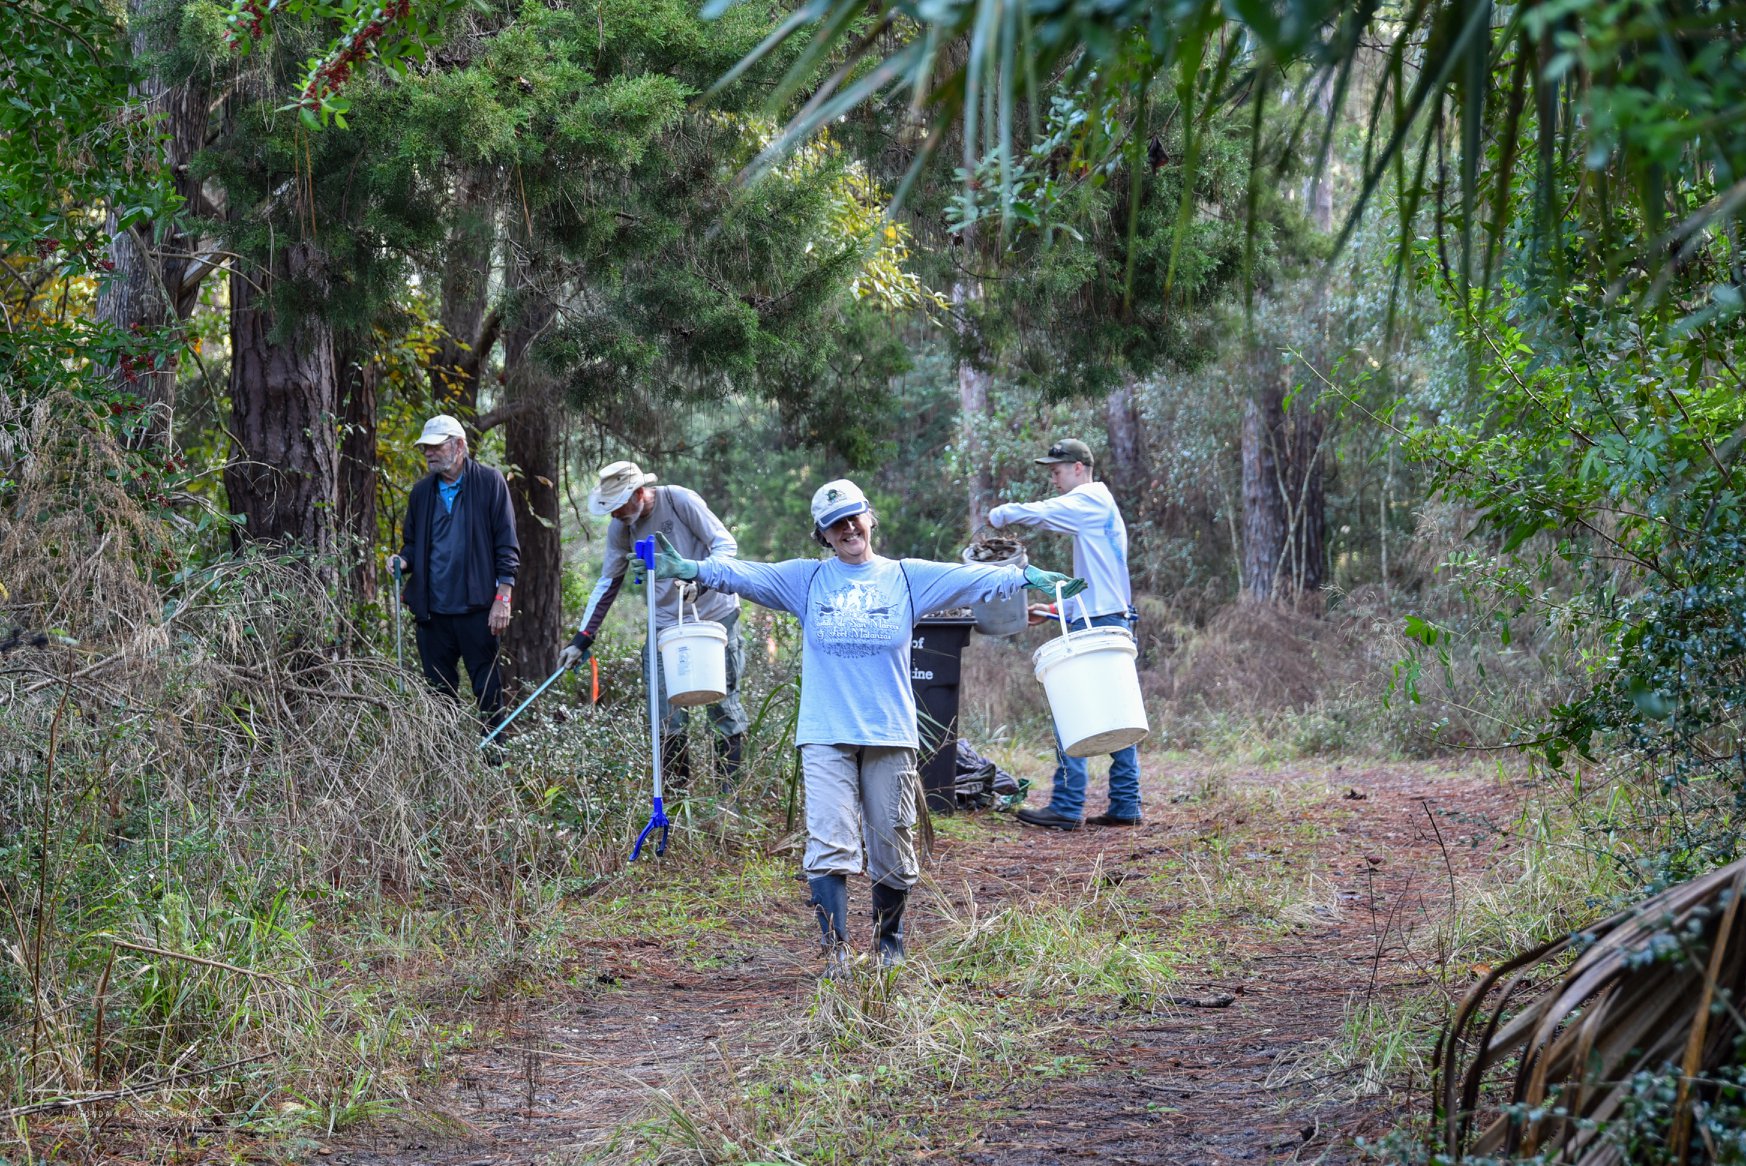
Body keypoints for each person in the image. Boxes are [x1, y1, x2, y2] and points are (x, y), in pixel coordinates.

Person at [652, 478, 1084, 972]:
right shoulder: (806, 580)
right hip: (825, 733)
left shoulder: (906, 577)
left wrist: (1026, 577)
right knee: (829, 842)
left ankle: (888, 943)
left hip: (889, 732)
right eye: (836, 524)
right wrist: (692, 569)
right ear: (824, 534)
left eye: (854, 516)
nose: (848, 527)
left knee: (892, 842)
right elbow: (745, 575)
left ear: (869, 518)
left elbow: (974, 580)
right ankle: (835, 951)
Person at [558, 461, 747, 786]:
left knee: (723, 709)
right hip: (665, 625)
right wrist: (582, 638)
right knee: (666, 715)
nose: (615, 514)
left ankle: (728, 800)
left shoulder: (679, 500)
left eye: (619, 505)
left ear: (639, 493)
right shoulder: (621, 528)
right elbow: (608, 582)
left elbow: (725, 544)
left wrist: (699, 577)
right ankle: (675, 799)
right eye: (610, 508)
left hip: (714, 615)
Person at [988, 437, 1142, 830]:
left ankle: (1067, 806)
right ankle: (1126, 804)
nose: (1053, 479)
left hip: (1104, 621)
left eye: (1056, 471)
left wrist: (1005, 513)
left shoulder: (1090, 499)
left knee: (1072, 712)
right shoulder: (1095, 509)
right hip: (1108, 616)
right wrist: (1056, 610)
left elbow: (1044, 514)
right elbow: (1095, 582)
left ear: (1078, 468)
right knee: (1115, 713)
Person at [388, 414, 520, 727]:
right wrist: (401, 561)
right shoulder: (421, 493)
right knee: (438, 696)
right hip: (433, 614)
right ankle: (448, 769)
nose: (428, 453)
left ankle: (494, 764)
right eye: (425, 448)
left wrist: (503, 596)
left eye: (435, 446)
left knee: (488, 692)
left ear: (459, 445)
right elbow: (412, 546)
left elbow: (507, 544)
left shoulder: (489, 482)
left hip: (477, 609)